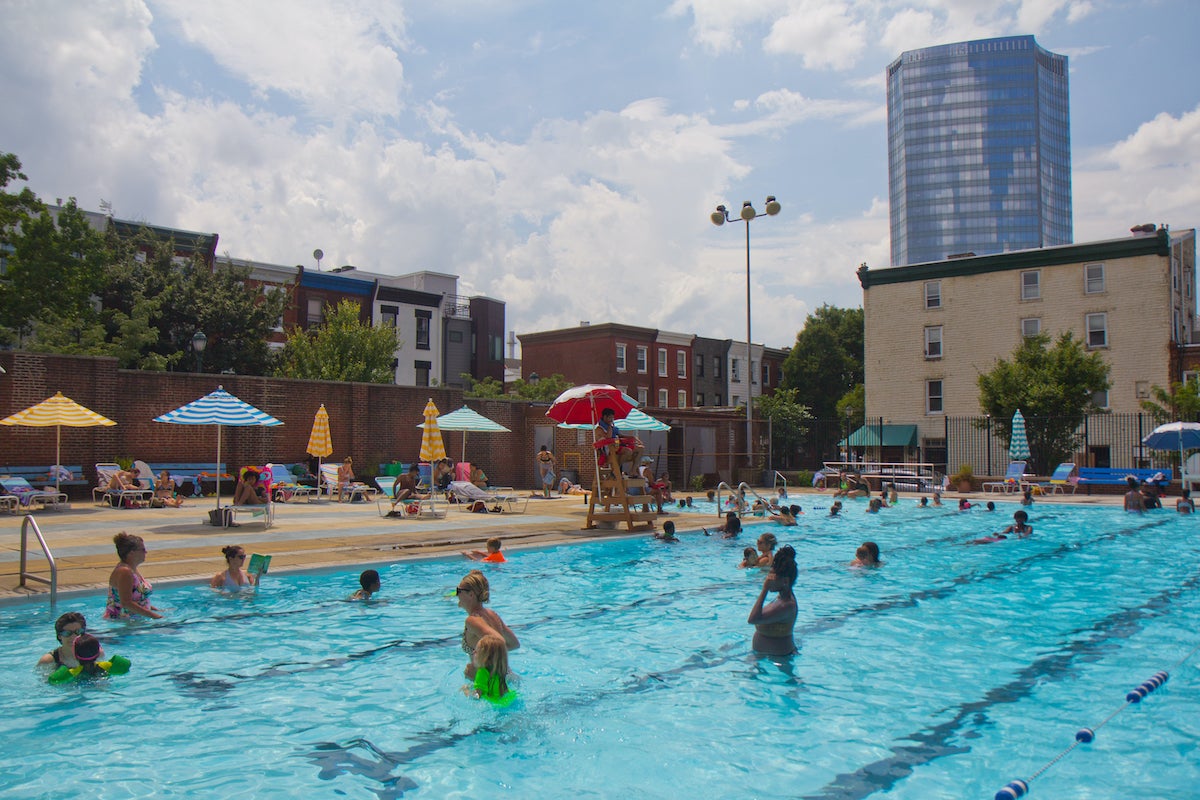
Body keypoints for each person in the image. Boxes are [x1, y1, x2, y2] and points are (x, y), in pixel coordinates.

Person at [456, 570, 519, 679]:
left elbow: (499, 641)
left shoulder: (473, 620)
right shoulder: (491, 614)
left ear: (471, 594)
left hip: (488, 681)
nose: (456, 594)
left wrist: (477, 668)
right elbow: (514, 644)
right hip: (507, 676)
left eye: (458, 591)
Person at [747, 546, 799, 656]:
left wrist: (764, 589)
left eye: (772, 576)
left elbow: (753, 619)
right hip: (769, 657)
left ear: (785, 581)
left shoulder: (787, 605)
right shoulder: (782, 597)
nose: (768, 578)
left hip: (780, 659)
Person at [104, 532, 162, 619]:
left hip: (135, 619)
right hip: (123, 621)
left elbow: (138, 600)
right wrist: (155, 616)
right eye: (142, 550)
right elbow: (126, 603)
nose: (146, 552)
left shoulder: (131, 569)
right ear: (131, 553)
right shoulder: (124, 572)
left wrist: (155, 610)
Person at [467, 633, 517, 705]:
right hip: (509, 699)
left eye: (476, 651)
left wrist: (466, 691)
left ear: (485, 657)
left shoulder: (482, 672)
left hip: (493, 705)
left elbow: (477, 696)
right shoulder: (501, 670)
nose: (473, 652)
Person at [594, 407, 644, 476]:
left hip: (618, 446)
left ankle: (633, 471)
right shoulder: (599, 429)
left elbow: (620, 435)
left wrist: (632, 437)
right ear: (605, 417)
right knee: (628, 451)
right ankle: (616, 469)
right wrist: (610, 427)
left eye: (612, 418)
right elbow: (608, 437)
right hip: (609, 450)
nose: (612, 420)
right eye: (610, 418)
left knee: (640, 449)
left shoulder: (611, 427)